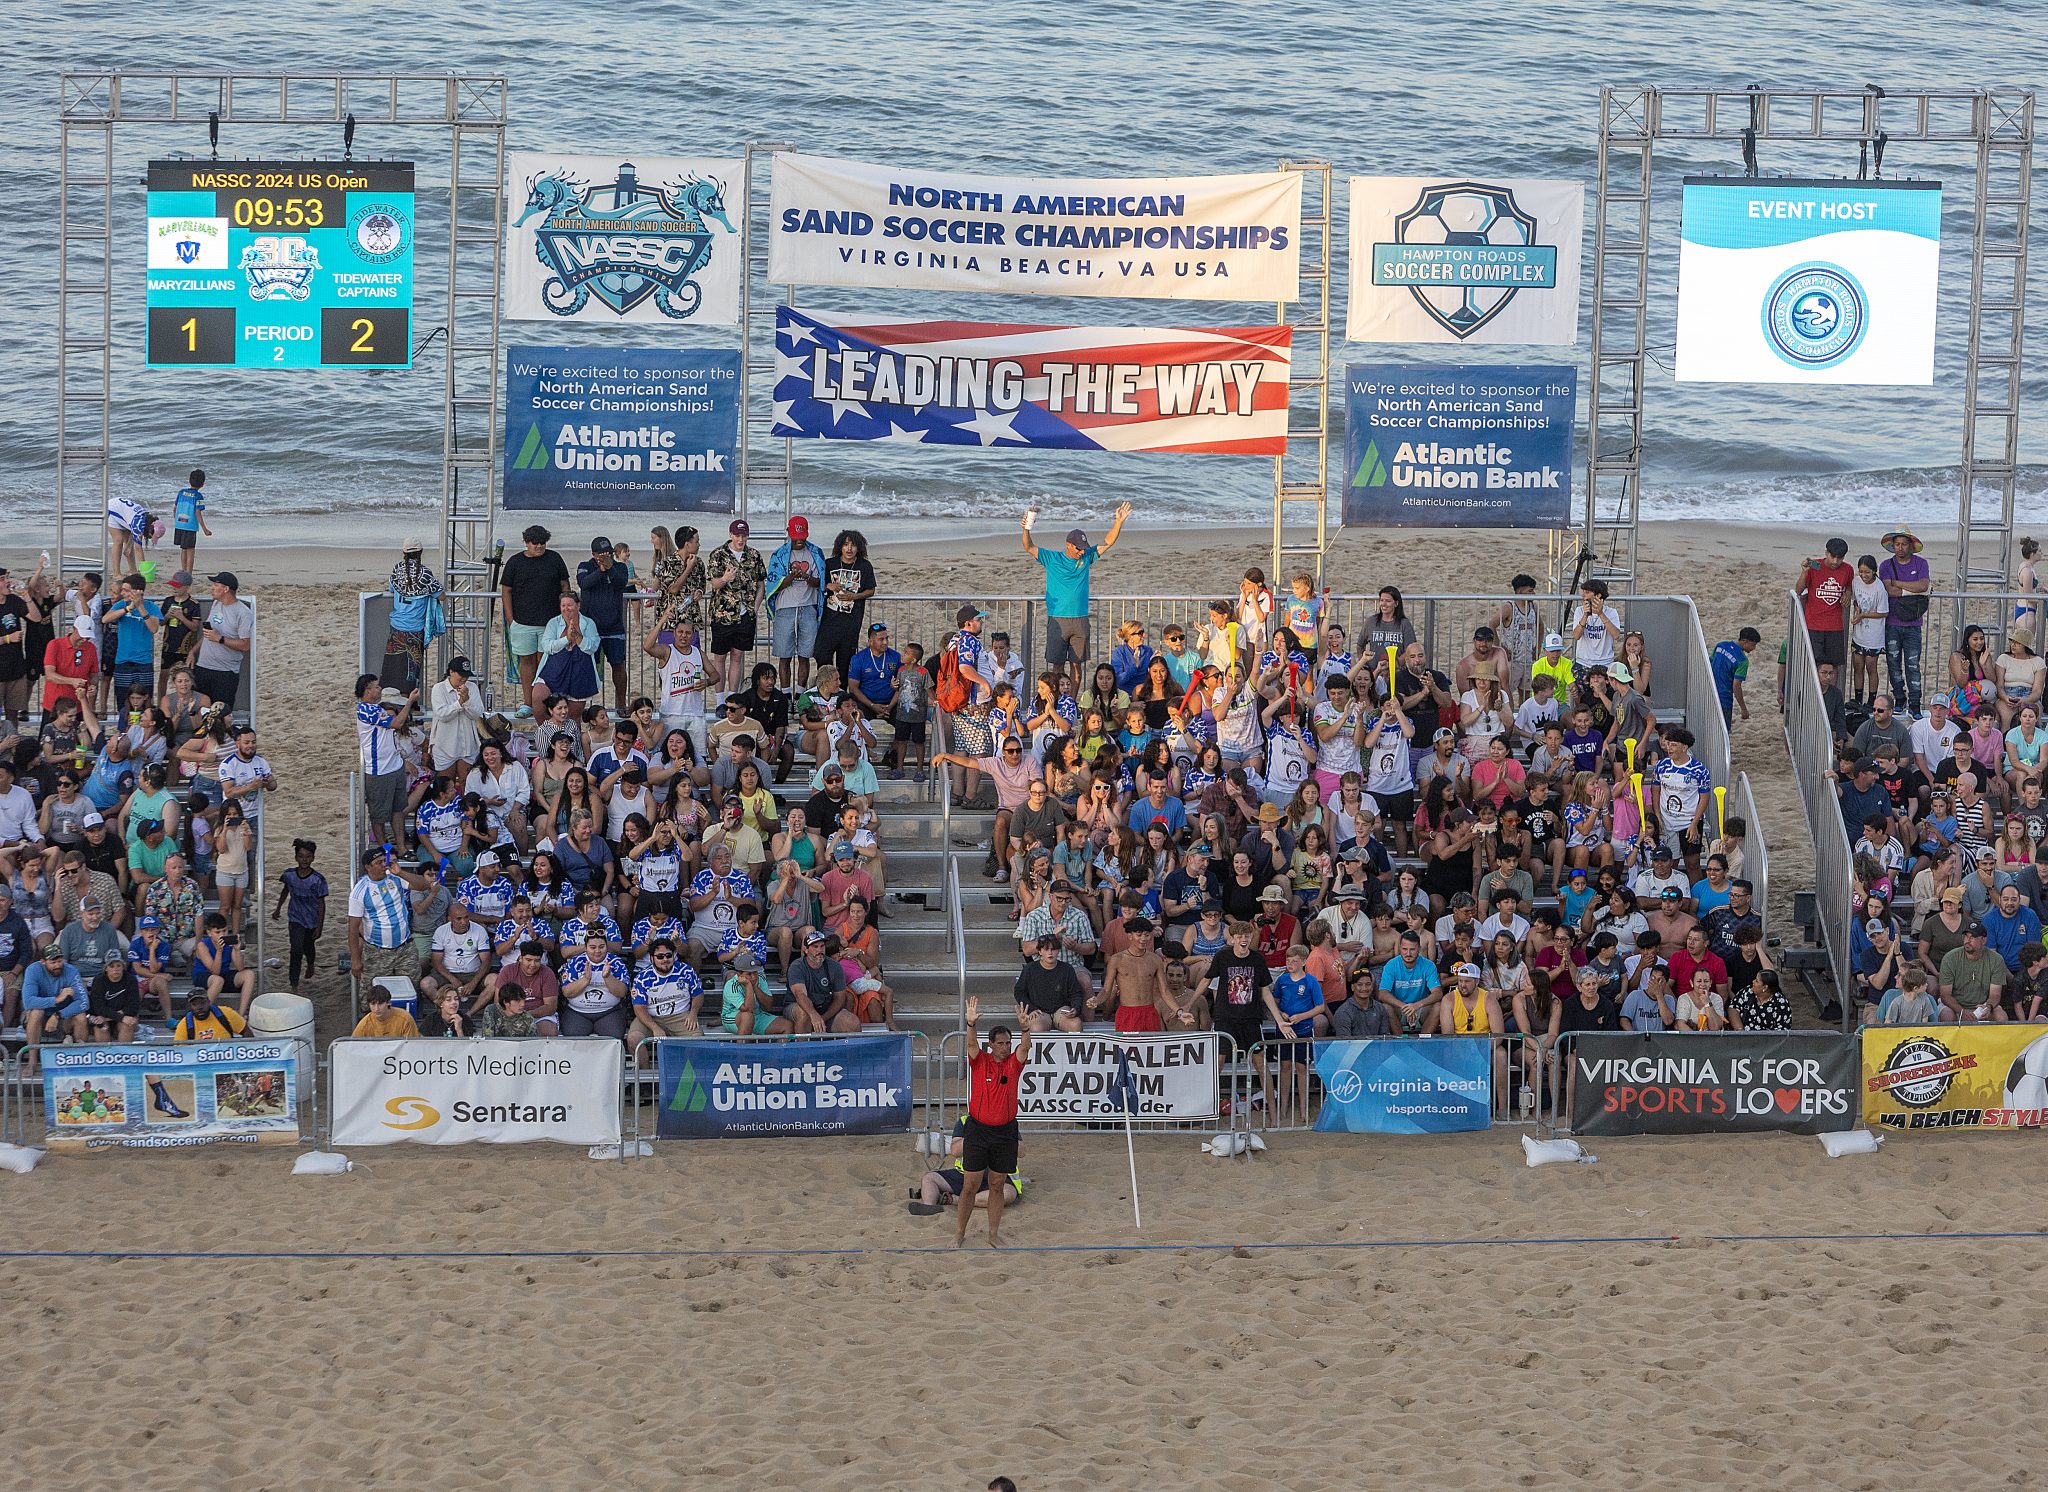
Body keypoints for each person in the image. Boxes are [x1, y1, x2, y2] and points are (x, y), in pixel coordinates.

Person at [1021, 502, 1132, 688]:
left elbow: (1108, 542)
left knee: (1077, 666)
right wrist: (1026, 528)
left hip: (1080, 619)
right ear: (1068, 545)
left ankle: (1071, 703)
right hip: (1058, 618)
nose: (1081, 551)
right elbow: (1029, 547)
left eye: (1083, 548)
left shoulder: (1087, 556)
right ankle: (1056, 700)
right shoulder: (1052, 558)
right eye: (1078, 548)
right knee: (1056, 665)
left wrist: (1118, 522)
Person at [958, 994, 1032, 1248]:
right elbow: (970, 1046)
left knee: (998, 1184)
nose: (1005, 1047)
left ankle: (992, 1234)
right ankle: (959, 1233)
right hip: (979, 1130)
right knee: (970, 1185)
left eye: (1007, 1043)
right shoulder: (980, 1061)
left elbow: (1025, 1049)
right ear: (991, 1045)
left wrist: (1024, 1029)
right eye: (1000, 1043)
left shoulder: (1013, 1064)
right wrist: (971, 1024)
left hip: (1005, 1131)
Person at [498, 525, 570, 708]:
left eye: (542, 543)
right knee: (527, 662)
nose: (539, 546)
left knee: (545, 661)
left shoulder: (554, 558)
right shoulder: (515, 562)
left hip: (550, 622)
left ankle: (546, 702)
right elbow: (506, 589)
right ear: (527, 543)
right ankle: (528, 702)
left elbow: (565, 586)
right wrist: (510, 618)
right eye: (535, 543)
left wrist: (566, 614)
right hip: (522, 622)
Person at [909, 1117, 1023, 1218]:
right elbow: (955, 1151)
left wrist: (1001, 1139)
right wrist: (977, 1136)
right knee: (929, 1178)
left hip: (997, 1176)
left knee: (1007, 1194)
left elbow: (1022, 1151)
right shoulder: (965, 1121)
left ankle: (954, 1200)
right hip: (966, 1174)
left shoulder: (1006, 1121)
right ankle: (929, 1206)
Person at [705, 519, 767, 697]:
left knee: (737, 656)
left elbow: (761, 583)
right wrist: (724, 579)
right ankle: (719, 700)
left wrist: (754, 607)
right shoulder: (718, 554)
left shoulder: (754, 555)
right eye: (737, 535)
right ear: (730, 534)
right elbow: (714, 584)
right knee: (720, 657)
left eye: (744, 536)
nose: (741, 539)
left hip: (745, 614)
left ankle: (733, 696)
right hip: (722, 613)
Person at [764, 515, 826, 689]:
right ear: (789, 533)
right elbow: (773, 585)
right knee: (784, 655)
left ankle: (800, 692)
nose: (799, 540)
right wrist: (791, 576)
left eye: (802, 537)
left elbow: (820, 584)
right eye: (796, 537)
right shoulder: (779, 554)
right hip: (785, 608)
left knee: (805, 655)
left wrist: (806, 576)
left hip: (808, 607)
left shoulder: (816, 553)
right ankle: (784, 692)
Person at [577, 537, 634, 713]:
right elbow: (584, 584)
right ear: (593, 554)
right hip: (590, 628)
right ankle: (584, 704)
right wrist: (600, 570)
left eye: (608, 553)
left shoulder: (620, 567)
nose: (606, 556)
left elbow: (621, 583)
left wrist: (609, 568)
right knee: (586, 666)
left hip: (614, 626)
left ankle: (621, 704)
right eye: (602, 554)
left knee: (618, 665)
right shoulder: (584, 566)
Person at [1879, 527, 1932, 714]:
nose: (1900, 548)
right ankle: (1900, 699)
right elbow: (1888, 590)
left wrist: (1898, 583)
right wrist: (1913, 589)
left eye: (1903, 544)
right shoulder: (1885, 565)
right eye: (1897, 544)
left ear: (1910, 546)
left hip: (1913, 624)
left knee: (1912, 664)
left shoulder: (1921, 563)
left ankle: (1915, 702)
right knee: (1893, 663)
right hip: (1892, 622)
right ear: (1892, 546)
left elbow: (1923, 585)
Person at [192, 571, 253, 713]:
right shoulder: (216, 604)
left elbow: (245, 645)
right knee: (199, 712)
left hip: (224, 672)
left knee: (221, 715)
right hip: (203, 667)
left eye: (216, 585)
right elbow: (208, 634)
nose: (212, 588)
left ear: (226, 589)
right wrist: (192, 652)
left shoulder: (243, 612)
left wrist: (220, 639)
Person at [21, 944, 88, 1059]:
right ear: (43, 961)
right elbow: (28, 1002)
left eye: (60, 961)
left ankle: (79, 1059)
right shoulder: (33, 970)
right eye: (53, 962)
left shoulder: (71, 971)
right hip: (38, 1019)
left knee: (81, 1017)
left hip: (62, 1017)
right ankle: (32, 1061)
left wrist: (57, 1015)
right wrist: (57, 999)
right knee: (37, 1012)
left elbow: (84, 1002)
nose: (57, 965)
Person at [1712, 628, 1761, 724]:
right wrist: (1743, 708)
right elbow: (1736, 685)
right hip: (1724, 697)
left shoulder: (1720, 645)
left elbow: (1710, 663)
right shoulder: (1742, 660)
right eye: (1753, 644)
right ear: (1745, 641)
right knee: (1724, 730)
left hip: (1709, 691)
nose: (1754, 648)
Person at [171, 986, 249, 1042]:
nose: (199, 1007)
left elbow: (246, 1031)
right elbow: (180, 1052)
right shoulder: (184, 1024)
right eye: (195, 1004)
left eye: (202, 1003)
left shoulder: (225, 1013)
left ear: (209, 1002)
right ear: (190, 1006)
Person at [171, 468, 212, 573]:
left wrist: (176, 520)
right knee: (190, 552)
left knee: (183, 549)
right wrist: (204, 528)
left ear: (189, 480)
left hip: (179, 524)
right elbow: (198, 512)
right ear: (202, 484)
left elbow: (175, 508)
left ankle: (183, 571)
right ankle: (188, 574)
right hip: (190, 526)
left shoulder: (181, 492)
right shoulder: (198, 496)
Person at [350, 983, 420, 1038]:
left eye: (380, 1003)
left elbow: (412, 1045)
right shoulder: (364, 1025)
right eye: (373, 1004)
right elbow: (354, 1046)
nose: (376, 1008)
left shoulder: (405, 1019)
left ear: (389, 1002)